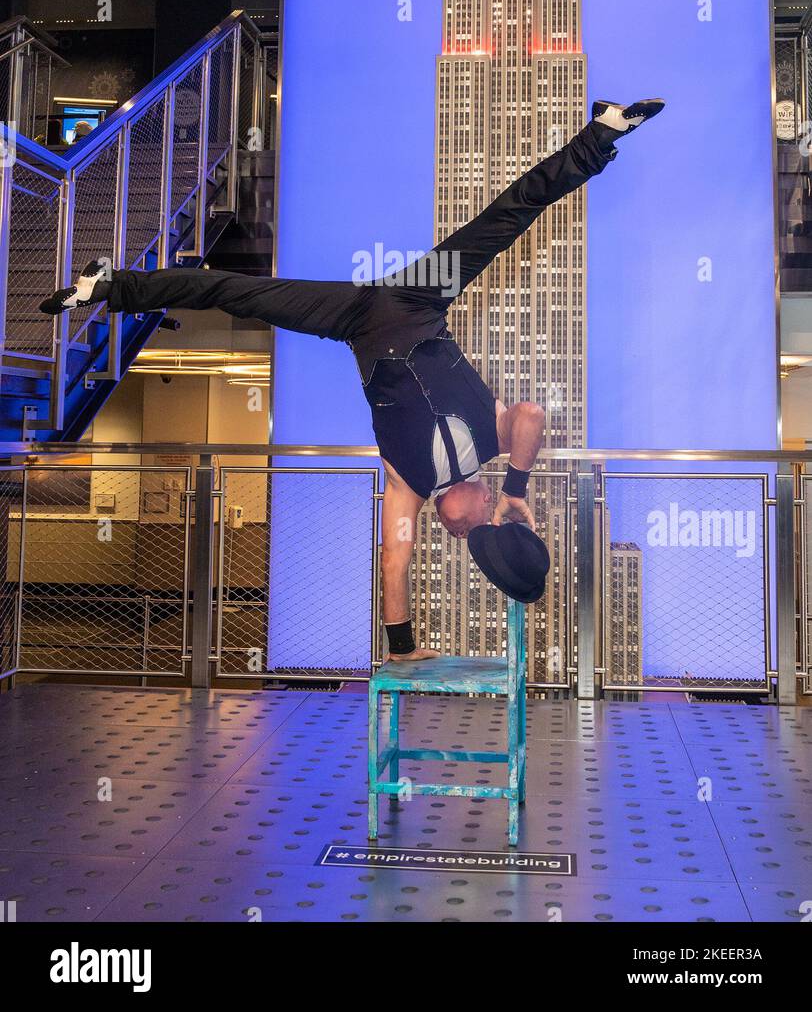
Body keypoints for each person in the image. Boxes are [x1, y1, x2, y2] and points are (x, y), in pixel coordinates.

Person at [40, 98, 664, 661]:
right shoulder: (495, 439)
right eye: (473, 526)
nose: (454, 528)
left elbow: (395, 558)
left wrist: (402, 647)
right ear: (487, 505)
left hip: (361, 322)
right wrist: (518, 487)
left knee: (242, 294)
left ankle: (110, 287)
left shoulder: (407, 485)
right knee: (506, 218)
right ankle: (603, 132)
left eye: (459, 534)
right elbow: (531, 413)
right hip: (420, 302)